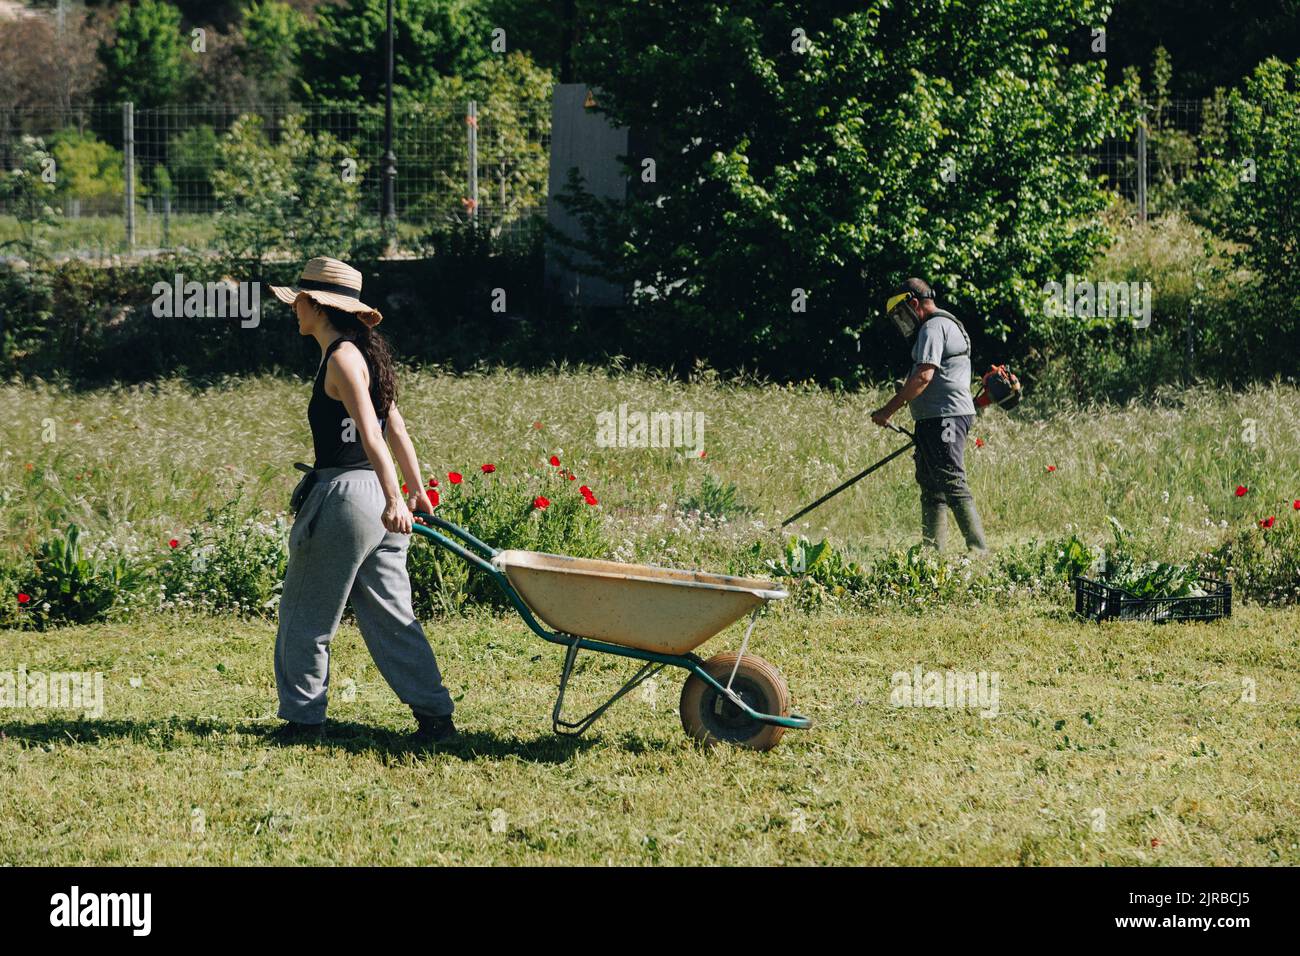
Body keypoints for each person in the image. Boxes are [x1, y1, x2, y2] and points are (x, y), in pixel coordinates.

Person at [269, 256, 457, 744]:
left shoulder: (341, 359)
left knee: (306, 612)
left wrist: (399, 499)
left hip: (347, 497)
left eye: (299, 302)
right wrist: (414, 493)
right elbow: (400, 432)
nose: (294, 311)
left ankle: (304, 721)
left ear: (316, 305)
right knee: (393, 617)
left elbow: (374, 436)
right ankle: (436, 718)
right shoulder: (367, 356)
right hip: (378, 496)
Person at [870, 277, 988, 555]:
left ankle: (978, 550)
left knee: (950, 478)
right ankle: (932, 553)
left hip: (946, 417)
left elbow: (924, 376)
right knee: (931, 484)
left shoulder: (933, 328)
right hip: (934, 418)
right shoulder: (938, 326)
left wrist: (888, 410)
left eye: (901, 313)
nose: (901, 321)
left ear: (913, 304)